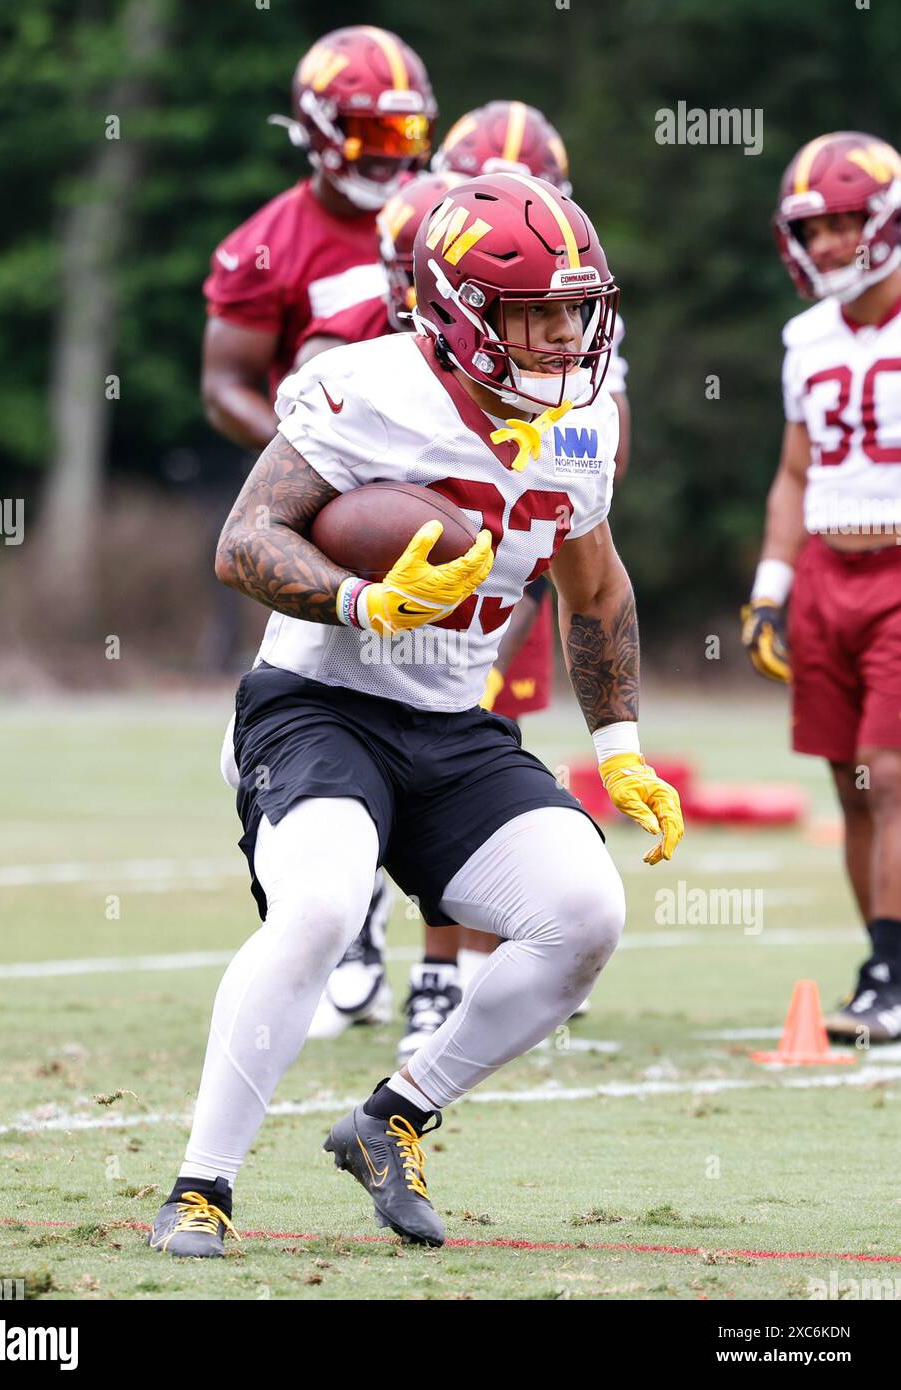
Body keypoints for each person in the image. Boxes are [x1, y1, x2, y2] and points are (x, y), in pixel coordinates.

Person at [148, 173, 683, 1254]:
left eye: (573, 309)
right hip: (317, 706)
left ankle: (391, 1117)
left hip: (450, 720)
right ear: (457, 312)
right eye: (531, 310)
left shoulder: (578, 422)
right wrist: (356, 597)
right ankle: (200, 1185)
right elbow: (244, 540)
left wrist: (619, 747)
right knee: (320, 904)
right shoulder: (367, 387)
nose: (559, 335)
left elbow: (595, 588)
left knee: (583, 912)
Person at [206, 25, 436, 1032]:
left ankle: (442, 949)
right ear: (314, 131)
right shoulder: (269, 240)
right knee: (301, 701)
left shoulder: (443, 214)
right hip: (333, 512)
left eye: (406, 127)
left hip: (441, 502)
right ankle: (334, 915)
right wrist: (320, 475)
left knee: (435, 715)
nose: (391, 150)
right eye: (369, 128)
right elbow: (223, 383)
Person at [396, 103, 633, 1056]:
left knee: (482, 749)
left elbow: (598, 531)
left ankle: (488, 966)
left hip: (513, 568)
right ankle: (417, 966)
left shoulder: (573, 342)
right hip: (394, 582)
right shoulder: (394, 352)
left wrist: (620, 743)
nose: (559, 329)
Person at [743, 131, 901, 1044]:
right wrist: (772, 588)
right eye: (816, 227)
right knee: (849, 784)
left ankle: (889, 972)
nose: (830, 245)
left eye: (845, 223)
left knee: (891, 775)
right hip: (827, 574)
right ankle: (885, 964)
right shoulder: (803, 337)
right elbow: (794, 473)